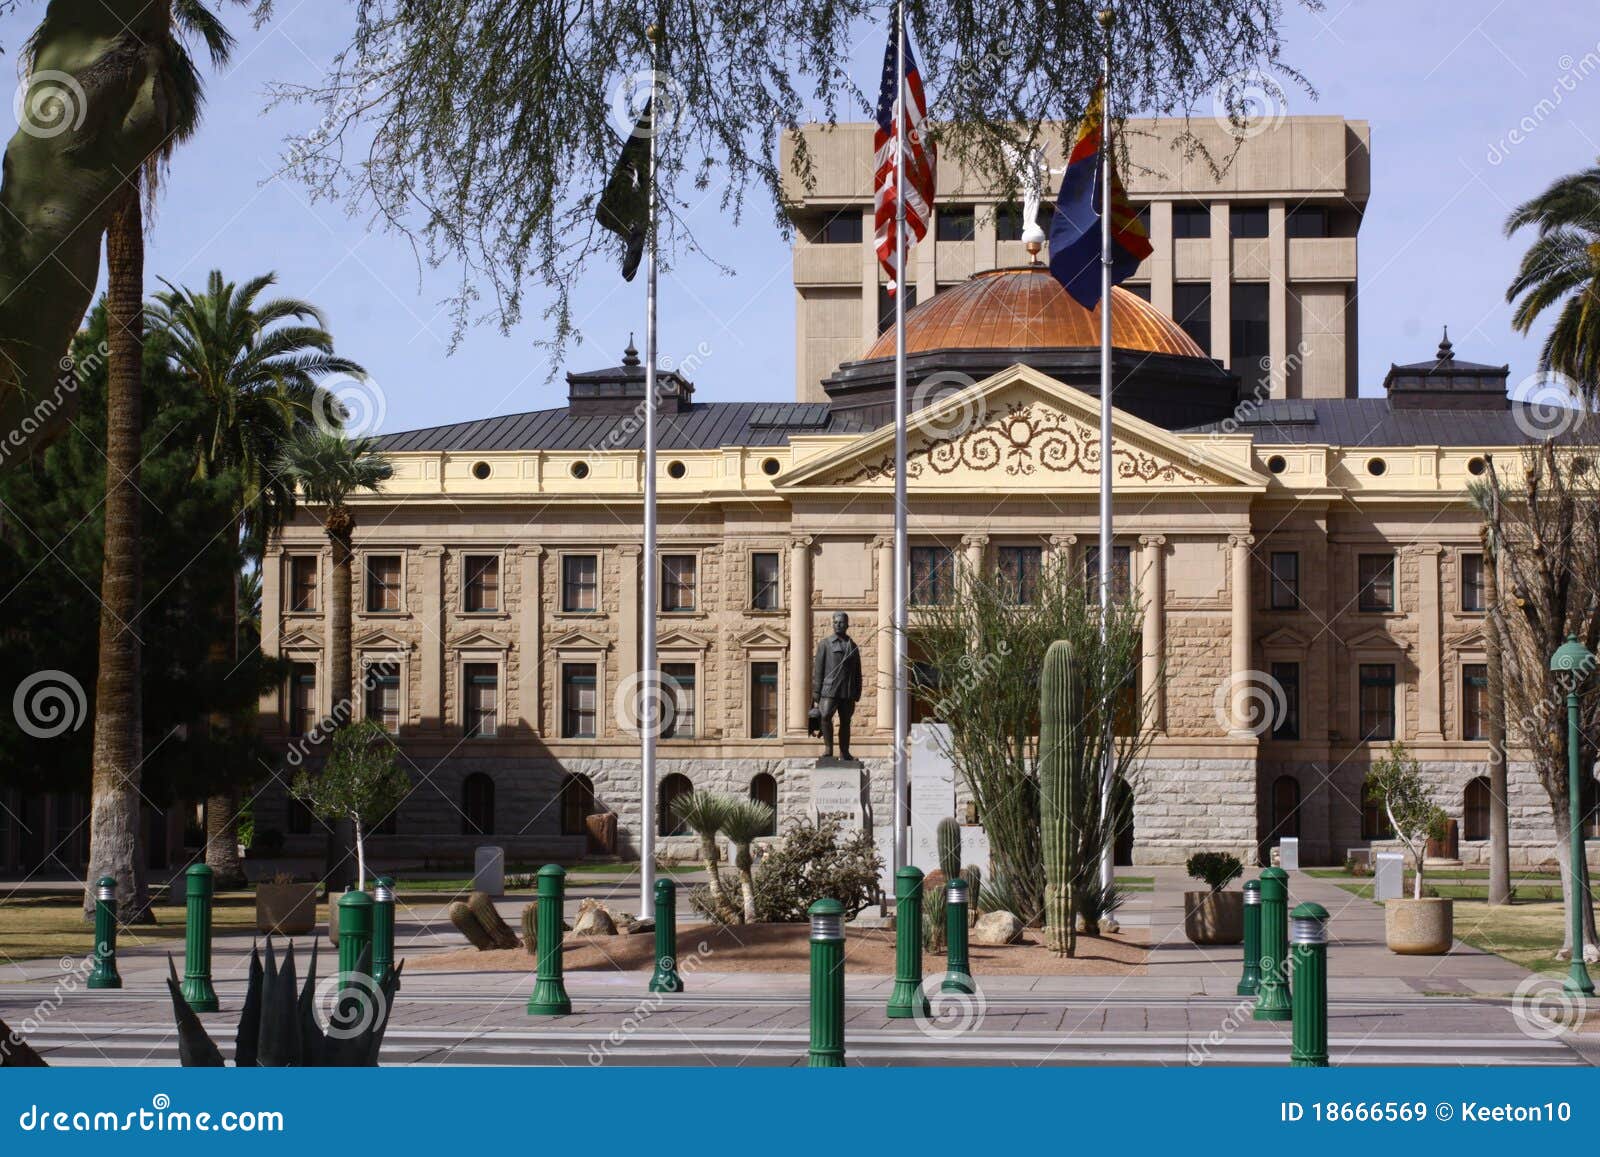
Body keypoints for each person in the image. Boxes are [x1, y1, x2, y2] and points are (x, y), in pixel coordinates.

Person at [811, 611, 862, 760]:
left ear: (847, 624)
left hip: (847, 691)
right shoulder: (825, 644)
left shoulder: (852, 646)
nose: (838, 625)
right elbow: (818, 669)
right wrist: (816, 691)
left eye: (841, 622)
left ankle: (844, 751)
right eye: (835, 622)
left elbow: (857, 672)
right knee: (825, 716)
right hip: (829, 690)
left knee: (845, 722)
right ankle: (828, 748)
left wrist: (857, 691)